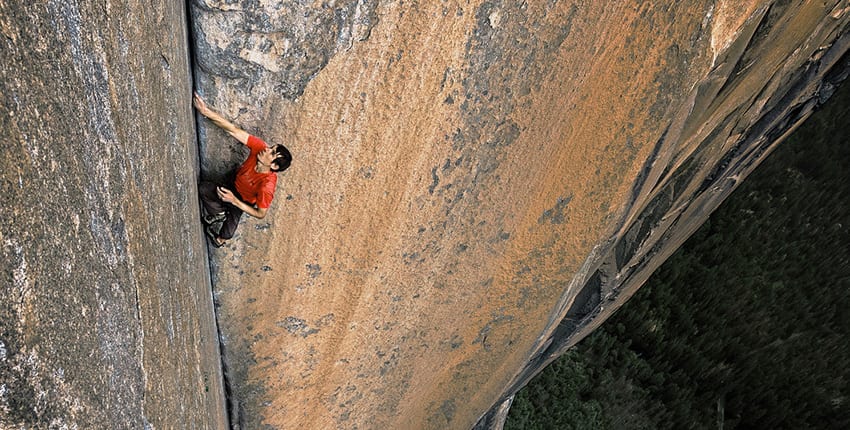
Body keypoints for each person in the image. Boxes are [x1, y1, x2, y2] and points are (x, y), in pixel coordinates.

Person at [193, 92, 292, 247]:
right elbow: (232, 130)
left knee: (225, 236)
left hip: (242, 200)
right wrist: (205, 112)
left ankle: (222, 223)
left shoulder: (267, 186)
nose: (266, 149)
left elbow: (261, 213)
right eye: (271, 147)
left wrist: (234, 200)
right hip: (233, 183)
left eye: (271, 152)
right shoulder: (260, 147)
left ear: (274, 166)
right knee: (204, 189)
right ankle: (219, 214)